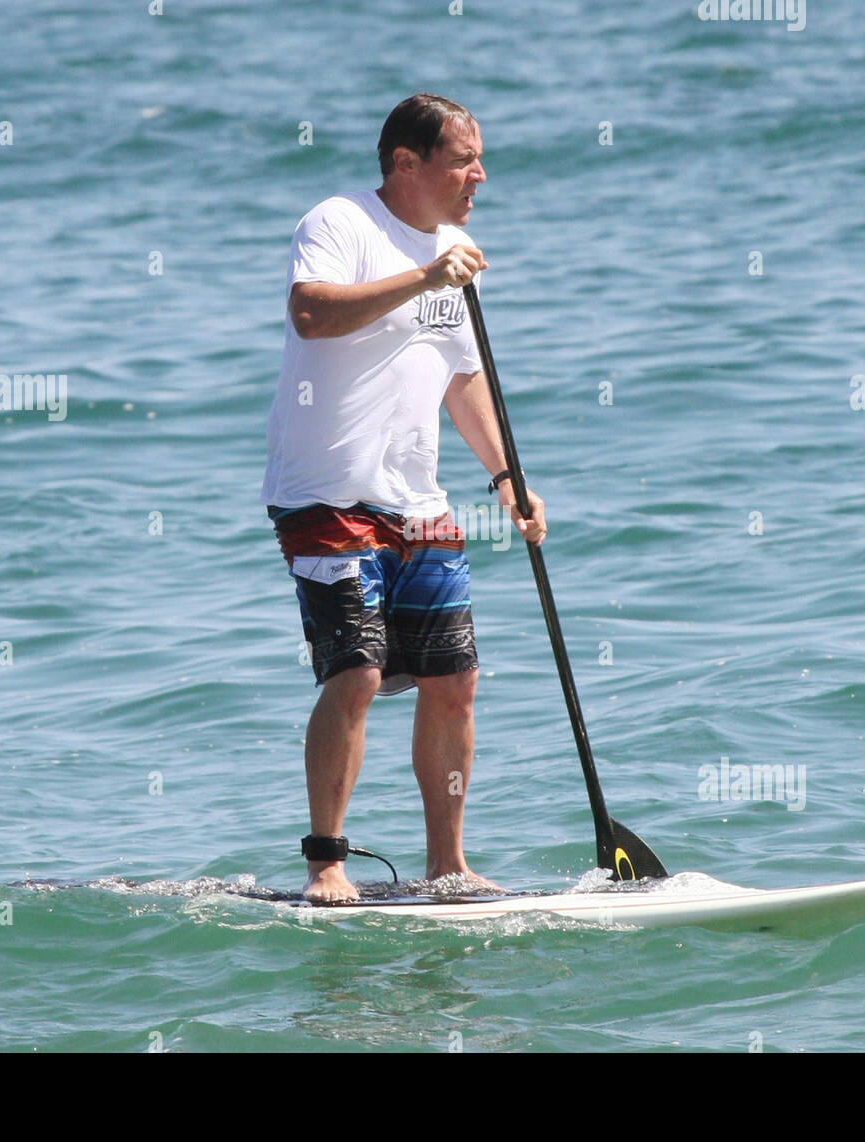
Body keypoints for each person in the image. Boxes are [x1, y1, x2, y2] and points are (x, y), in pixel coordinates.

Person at [261, 93, 548, 902]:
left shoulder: (454, 249)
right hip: (325, 492)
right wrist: (425, 274)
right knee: (355, 672)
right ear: (404, 164)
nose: (479, 175)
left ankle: (447, 865)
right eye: (463, 159)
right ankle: (327, 862)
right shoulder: (339, 223)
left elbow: (463, 376)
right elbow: (311, 314)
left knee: (454, 681)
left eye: (479, 158)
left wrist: (506, 477)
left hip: (417, 500)